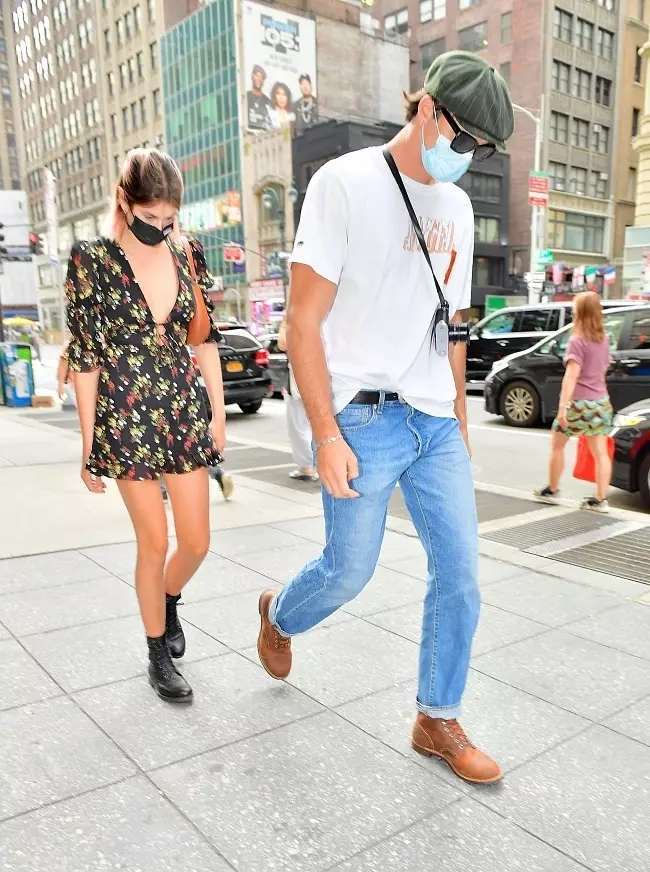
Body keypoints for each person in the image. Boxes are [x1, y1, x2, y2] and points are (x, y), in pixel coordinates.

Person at [256, 51, 514, 785]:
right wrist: (326, 434)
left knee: (461, 574)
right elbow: (302, 325)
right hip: (361, 418)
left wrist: (460, 420)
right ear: (426, 108)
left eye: (484, 151)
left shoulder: (459, 208)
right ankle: (279, 614)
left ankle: (436, 717)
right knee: (348, 572)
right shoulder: (345, 184)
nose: (469, 159)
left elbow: (450, 325)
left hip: (433, 419)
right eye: (465, 141)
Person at [63, 148, 226, 703]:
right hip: (125, 414)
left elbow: (203, 339)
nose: (161, 228)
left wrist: (218, 415)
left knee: (198, 542)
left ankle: (169, 598)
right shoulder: (91, 261)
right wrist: (88, 446)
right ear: (124, 202)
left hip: (182, 409)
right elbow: (85, 359)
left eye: (169, 219)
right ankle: (158, 654)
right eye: (150, 217)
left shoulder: (188, 254)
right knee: (153, 540)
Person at [534, 291, 613, 513]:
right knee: (600, 452)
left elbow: (571, 376)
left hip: (578, 404)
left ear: (579, 313)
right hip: (600, 402)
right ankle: (600, 499)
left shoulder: (577, 341)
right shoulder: (605, 339)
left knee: (557, 445)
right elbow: (604, 369)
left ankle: (552, 489)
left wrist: (562, 408)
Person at [278, 318, 317, 482]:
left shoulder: (296, 314)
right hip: (320, 376)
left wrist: (284, 323)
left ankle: (307, 466)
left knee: (298, 426)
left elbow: (283, 343)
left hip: (300, 378)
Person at [246, 65, 271, 130]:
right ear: (252, 77)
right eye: (257, 75)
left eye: (261, 77)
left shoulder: (267, 101)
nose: (259, 79)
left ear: (263, 81)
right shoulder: (246, 96)